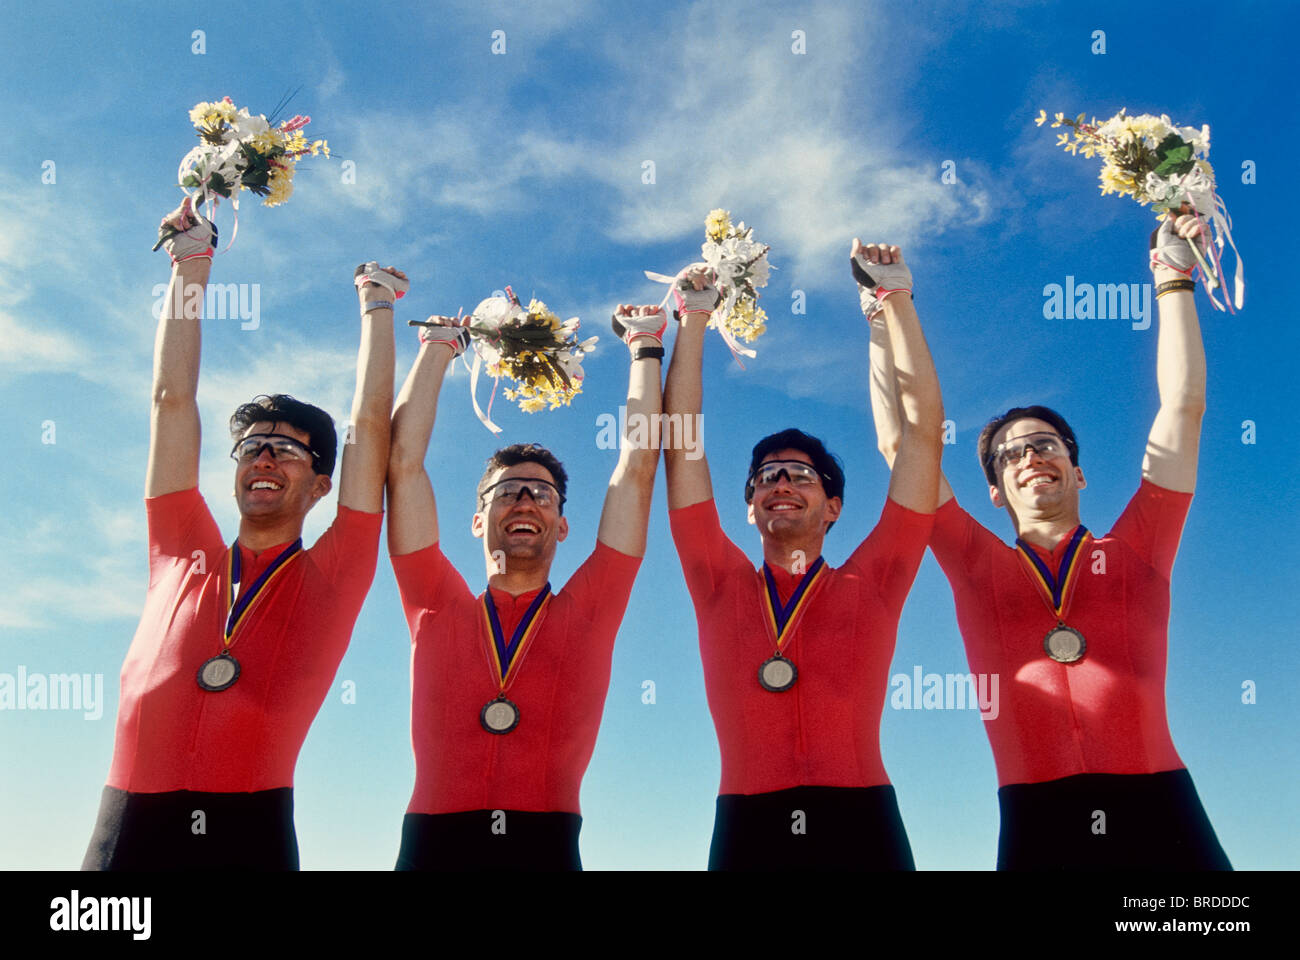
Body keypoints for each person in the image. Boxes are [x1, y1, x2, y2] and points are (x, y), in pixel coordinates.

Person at [867, 213, 1231, 869]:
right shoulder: (976, 566)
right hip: (1039, 823)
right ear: (997, 493)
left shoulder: (1139, 547)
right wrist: (888, 310)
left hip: (1163, 814)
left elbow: (1182, 409)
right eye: (1010, 455)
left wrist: (1172, 277)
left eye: (1045, 445)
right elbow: (902, 447)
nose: (1030, 456)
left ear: (1078, 469)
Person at [82, 199, 397, 870]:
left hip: (248, 835)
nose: (264, 457)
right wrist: (190, 264)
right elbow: (170, 399)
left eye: (288, 451)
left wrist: (378, 308)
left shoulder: (335, 572)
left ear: (320, 487)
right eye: (254, 446)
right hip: (125, 831)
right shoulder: (181, 548)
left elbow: (371, 429)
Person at [663, 248, 945, 870]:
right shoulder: (718, 582)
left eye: (800, 476)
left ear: (835, 506)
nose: (781, 484)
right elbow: (680, 449)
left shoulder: (875, 579)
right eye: (766, 477)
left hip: (863, 823)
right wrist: (693, 319)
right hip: (746, 827)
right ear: (749, 507)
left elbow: (923, 436)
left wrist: (895, 298)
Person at [385, 298, 665, 870]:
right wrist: (439, 348)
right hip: (431, 847)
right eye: (506, 490)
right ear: (477, 520)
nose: (523, 499)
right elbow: (403, 466)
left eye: (541, 493)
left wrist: (645, 348)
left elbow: (637, 469)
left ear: (562, 526)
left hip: (547, 848)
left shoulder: (590, 609)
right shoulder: (433, 602)